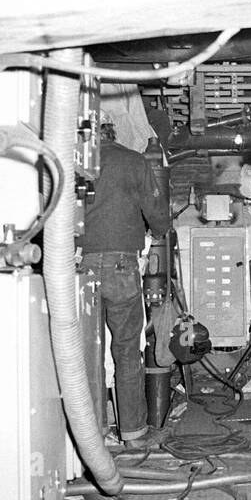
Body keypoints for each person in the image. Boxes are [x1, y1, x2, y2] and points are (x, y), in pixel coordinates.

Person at [81, 115, 171, 441]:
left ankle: (92, 435)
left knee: (87, 352)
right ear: (111, 130)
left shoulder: (73, 161)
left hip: (80, 266)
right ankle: (132, 432)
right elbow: (157, 213)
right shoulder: (132, 161)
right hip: (121, 265)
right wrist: (160, 228)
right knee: (127, 351)